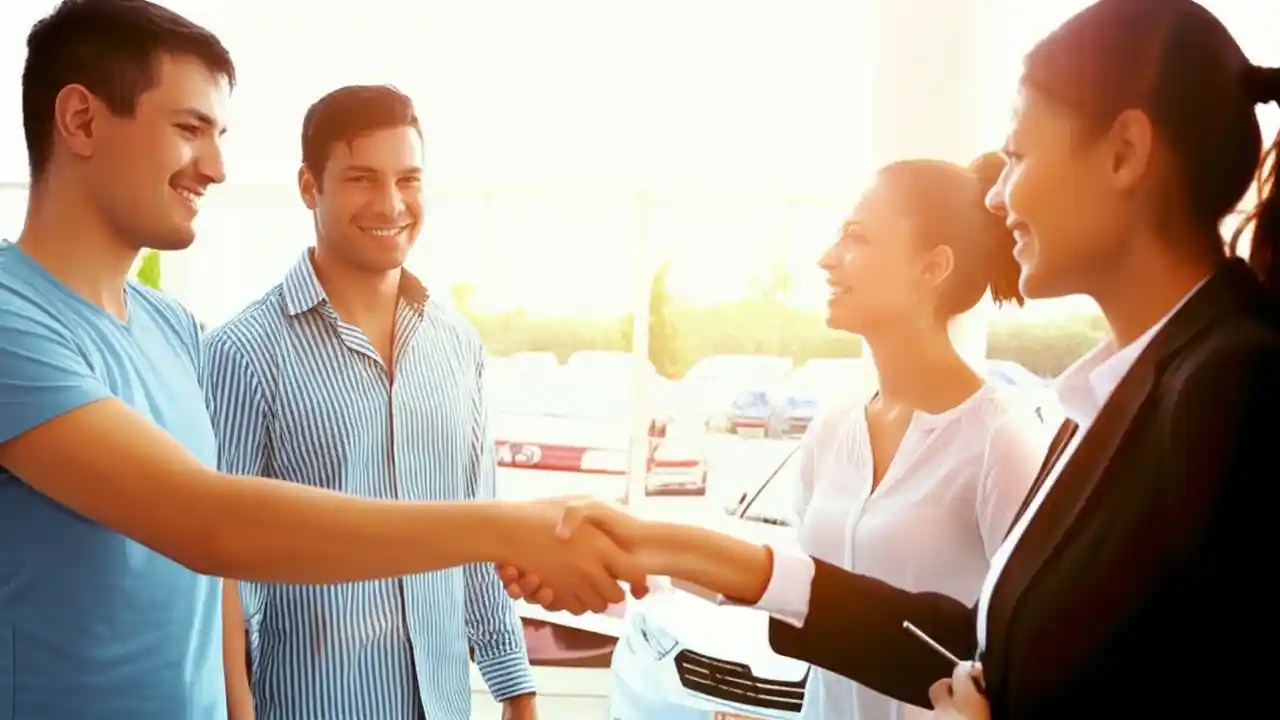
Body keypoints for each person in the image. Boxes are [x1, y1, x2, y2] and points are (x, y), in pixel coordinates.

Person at [504, 1, 1280, 717]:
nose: (999, 197)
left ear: (1123, 152)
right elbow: (975, 644)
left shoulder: (1232, 390)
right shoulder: (1126, 392)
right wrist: (661, 543)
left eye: (1017, 157)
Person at [0, 2, 640, 718]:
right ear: (82, 121)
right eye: (188, 129)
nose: (215, 167)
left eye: (219, 135)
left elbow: (207, 585)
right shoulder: (10, 319)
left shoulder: (173, 327)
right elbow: (211, 527)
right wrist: (512, 528)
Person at [207, 85, 537, 720]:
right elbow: (221, 566)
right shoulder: (244, 353)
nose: (391, 203)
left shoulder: (456, 345)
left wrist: (515, 691)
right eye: (362, 179)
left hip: (443, 705)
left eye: (407, 179)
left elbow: (479, 527)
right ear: (310, 187)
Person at [720, 152, 1052, 720]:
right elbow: (822, 620)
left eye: (855, 237)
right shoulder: (831, 429)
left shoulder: (1003, 439)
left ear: (933, 267)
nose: (828, 259)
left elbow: (1037, 657)